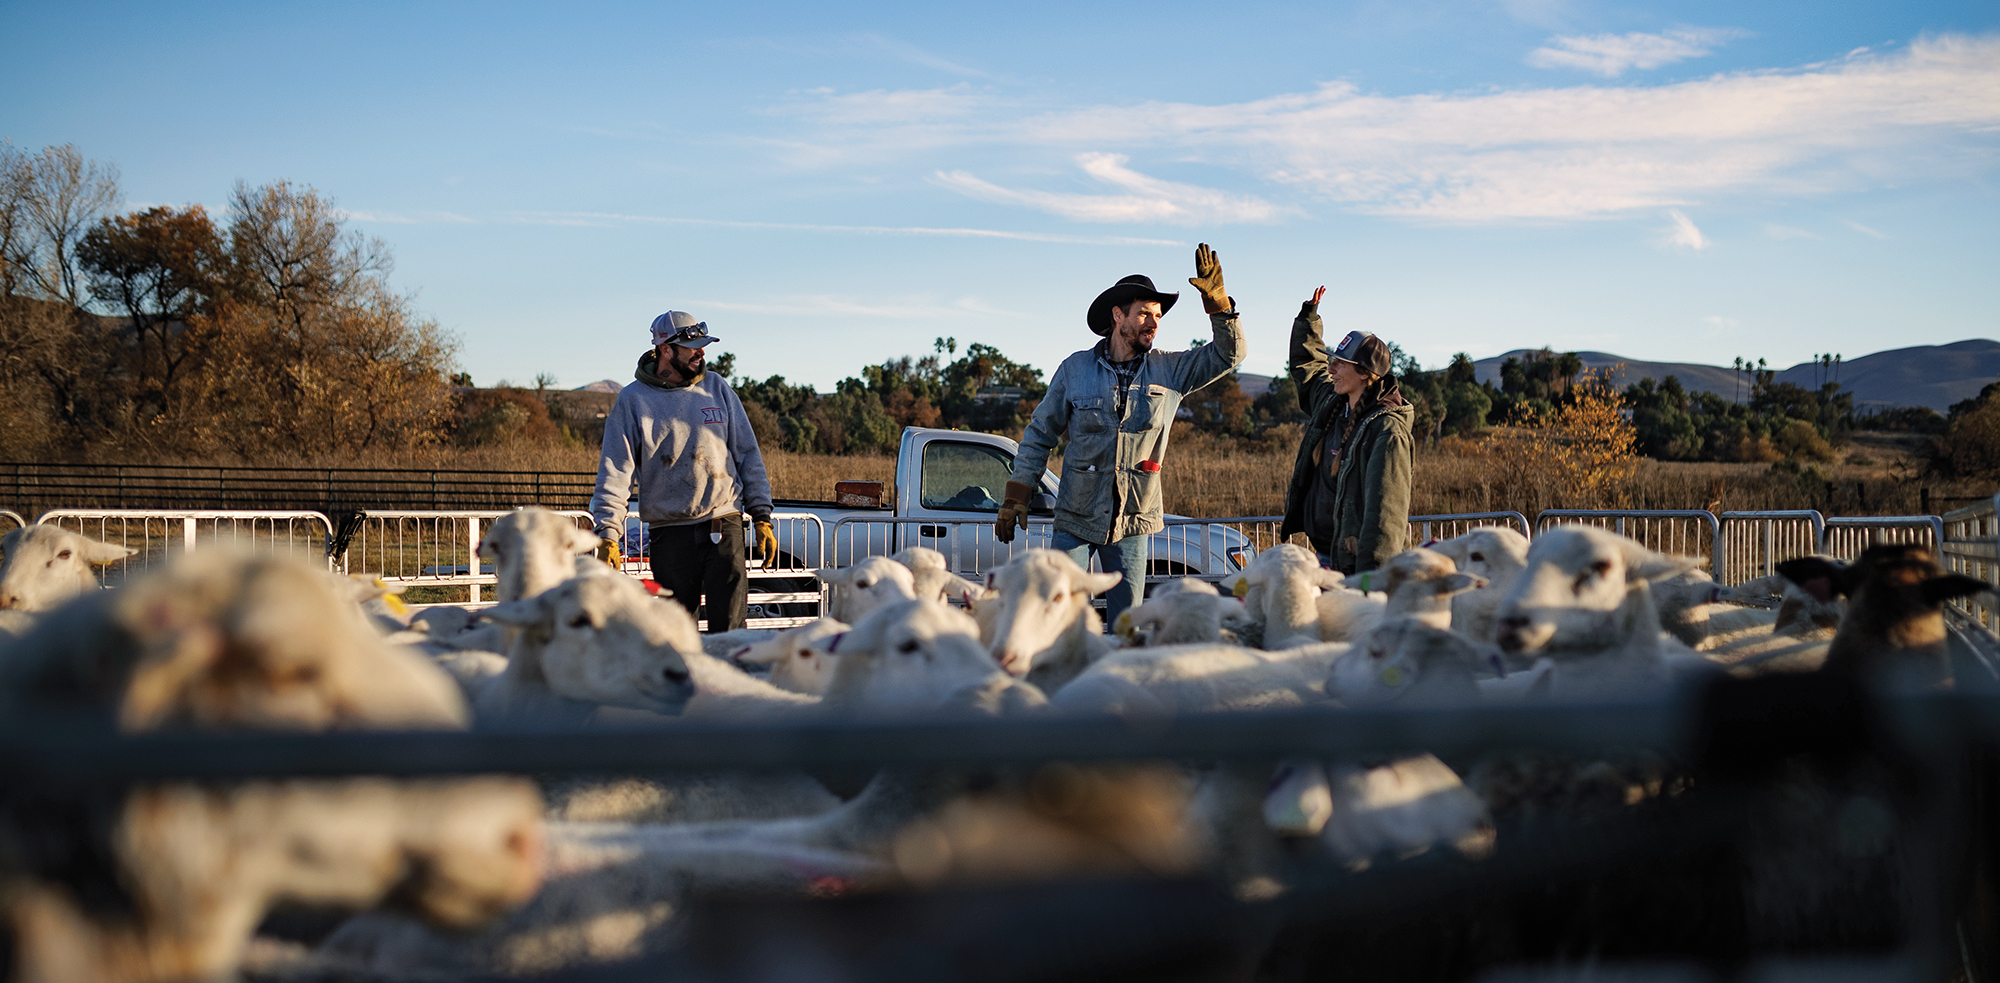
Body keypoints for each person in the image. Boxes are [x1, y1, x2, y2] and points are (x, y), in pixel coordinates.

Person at [996, 244, 1248, 627]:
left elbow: (1230, 355)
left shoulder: (1171, 370)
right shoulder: (1075, 369)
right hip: (1076, 520)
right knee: (1057, 617)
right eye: (1144, 313)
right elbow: (1039, 434)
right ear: (1118, 316)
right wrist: (1017, 495)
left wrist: (1218, 305)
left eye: (1158, 315)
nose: (1153, 322)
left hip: (1133, 522)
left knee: (1126, 625)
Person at [589, 311, 779, 633]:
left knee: (731, 632)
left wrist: (761, 515)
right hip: (670, 533)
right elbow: (615, 472)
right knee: (676, 634)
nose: (701, 352)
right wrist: (608, 533)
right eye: (692, 346)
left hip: (724, 524)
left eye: (702, 345)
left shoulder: (716, 388)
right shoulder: (633, 401)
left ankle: (730, 684)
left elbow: (748, 454)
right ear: (665, 349)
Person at [1281, 286, 1413, 575]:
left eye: (1341, 363)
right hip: (1325, 558)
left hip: (1357, 569)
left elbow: (1386, 516)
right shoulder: (1332, 403)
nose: (1332, 369)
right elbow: (1308, 368)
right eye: (1334, 361)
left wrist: (1372, 583)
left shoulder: (1387, 430)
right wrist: (1308, 320)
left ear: (1365, 374)